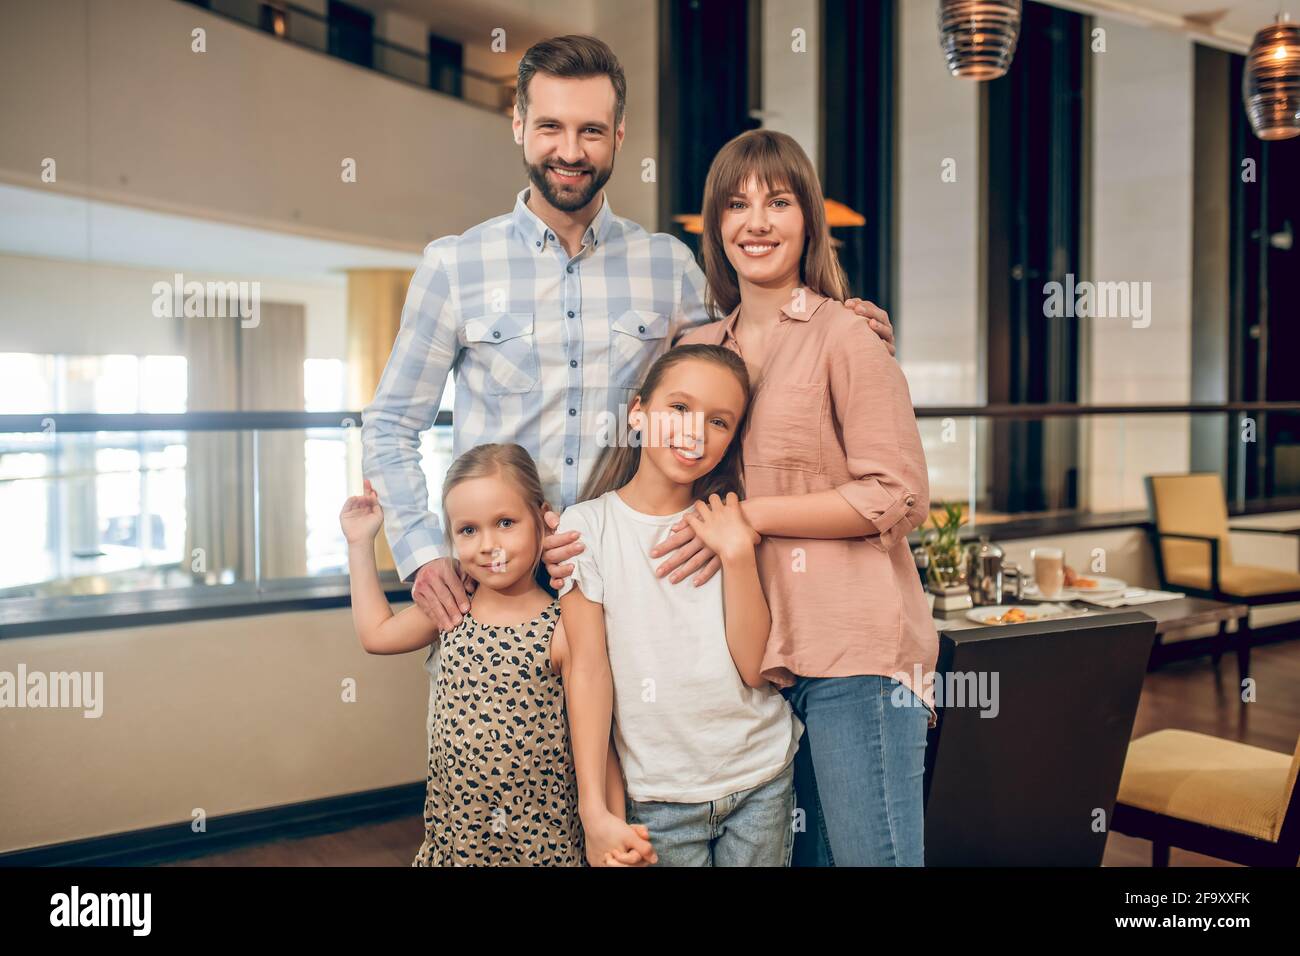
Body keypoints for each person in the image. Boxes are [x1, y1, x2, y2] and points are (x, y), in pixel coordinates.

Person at [361, 34, 894, 634]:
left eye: (591, 130)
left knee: (621, 732)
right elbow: (390, 425)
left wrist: (835, 322)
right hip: (493, 595)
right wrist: (423, 553)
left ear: (618, 135)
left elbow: (737, 383)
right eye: (550, 127)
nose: (570, 150)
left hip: (631, 582)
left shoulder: (669, 268)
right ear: (517, 125)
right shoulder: (453, 267)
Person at [548, 129, 939, 866]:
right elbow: (652, 450)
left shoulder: (845, 335)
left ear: (808, 220)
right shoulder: (702, 344)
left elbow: (899, 495)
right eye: (736, 204)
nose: (756, 221)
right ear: (715, 224)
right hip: (757, 666)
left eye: (778, 202)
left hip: (854, 650)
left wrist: (752, 516)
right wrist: (571, 536)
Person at [339, 446, 652, 866]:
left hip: (541, 850)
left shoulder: (562, 627)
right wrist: (360, 544)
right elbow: (376, 634)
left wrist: (610, 829)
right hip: (455, 846)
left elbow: (597, 744)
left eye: (505, 523)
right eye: (468, 530)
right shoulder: (451, 611)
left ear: (542, 520)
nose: (488, 545)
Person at [558, 345, 802, 866]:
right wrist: (594, 810)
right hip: (658, 798)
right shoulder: (586, 526)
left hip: (761, 778)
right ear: (638, 412)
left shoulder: (731, 518)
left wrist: (736, 554)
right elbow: (587, 672)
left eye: (719, 421)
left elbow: (756, 669)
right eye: (679, 408)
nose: (695, 433)